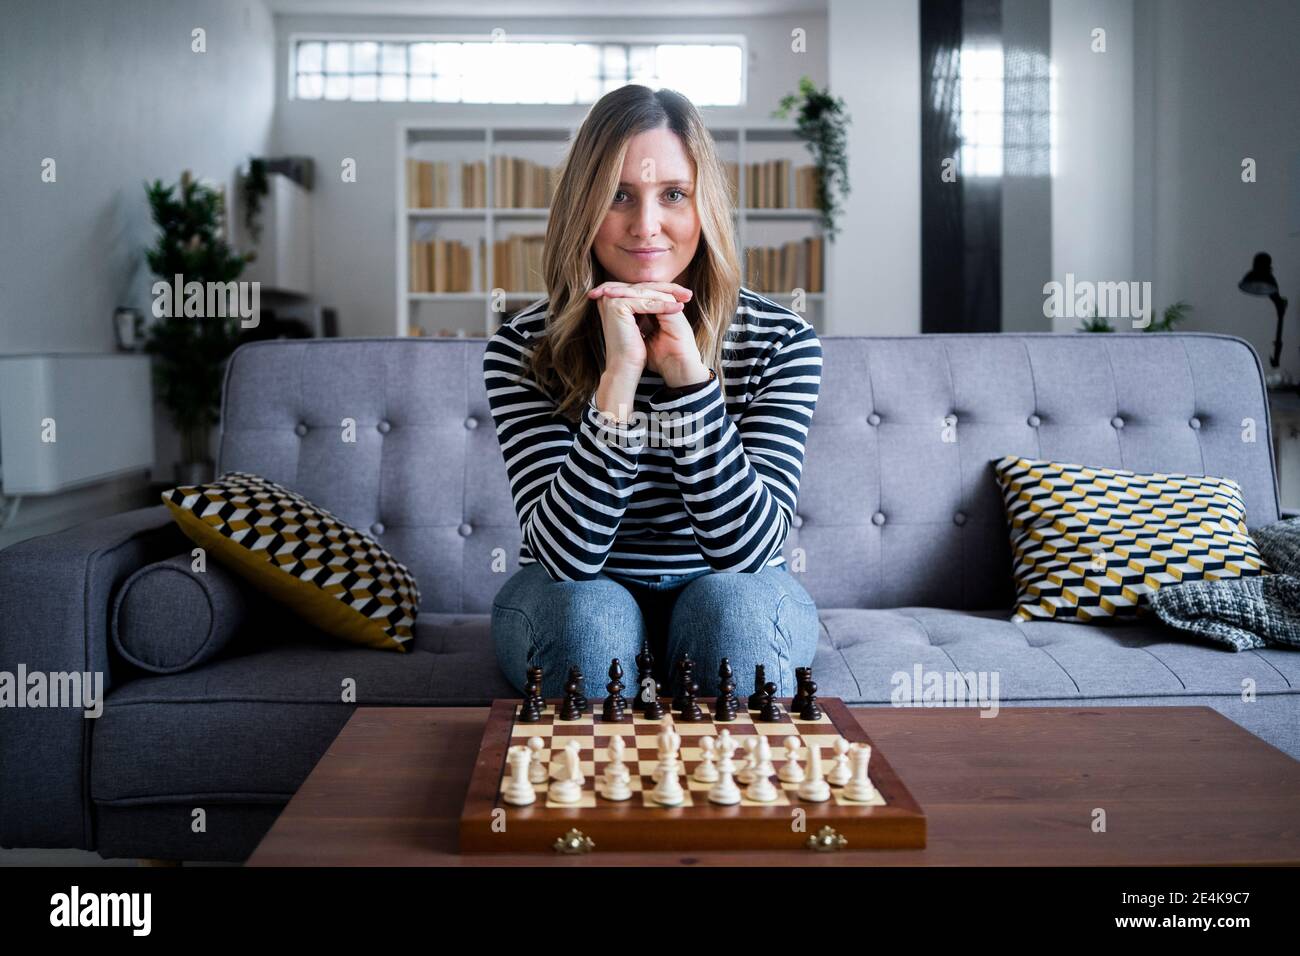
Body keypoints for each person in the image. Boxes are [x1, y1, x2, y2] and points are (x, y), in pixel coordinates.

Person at [483, 84, 822, 701]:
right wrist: (619, 381)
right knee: (589, 620)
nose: (646, 226)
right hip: (576, 592)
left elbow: (748, 553)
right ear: (582, 208)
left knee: (738, 617)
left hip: (724, 586)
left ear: (704, 208)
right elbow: (566, 559)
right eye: (618, 196)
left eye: (673, 195)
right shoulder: (521, 348)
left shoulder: (781, 342)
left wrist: (690, 383)